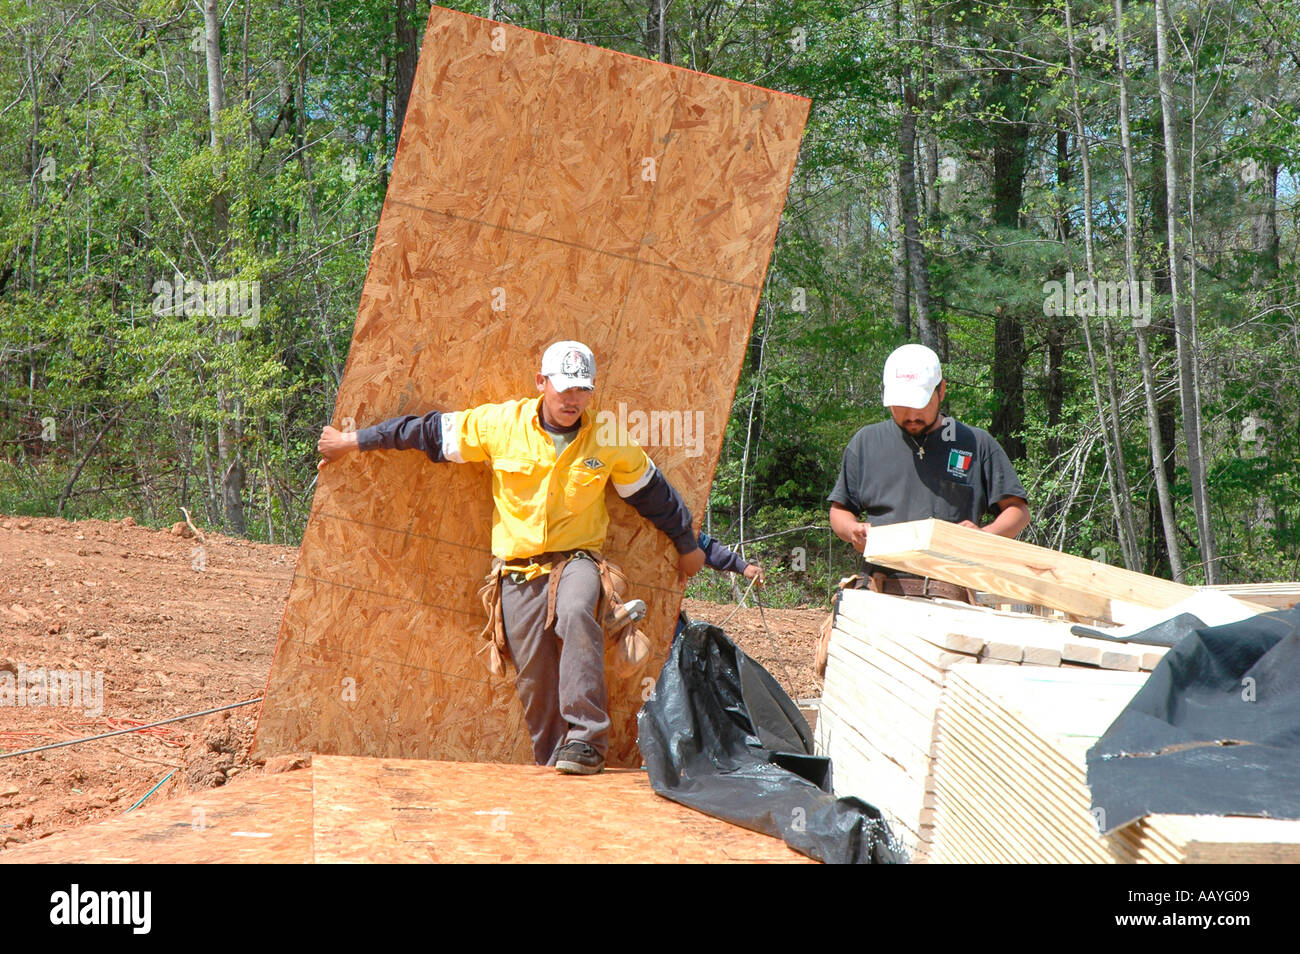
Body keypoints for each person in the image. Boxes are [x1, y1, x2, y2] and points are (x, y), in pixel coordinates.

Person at [316, 340, 707, 776]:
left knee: (577, 611)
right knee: (535, 680)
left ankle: (588, 738)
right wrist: (351, 441)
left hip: (577, 562)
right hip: (518, 574)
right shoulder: (501, 423)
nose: (573, 399)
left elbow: (653, 494)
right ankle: (555, 763)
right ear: (541, 382)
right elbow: (426, 432)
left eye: (582, 389)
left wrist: (687, 545)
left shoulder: (608, 436)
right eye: (563, 389)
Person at [827, 342, 1030, 599]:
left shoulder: (975, 443)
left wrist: (985, 535)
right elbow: (839, 510)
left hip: (951, 591)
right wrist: (852, 530)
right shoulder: (866, 442)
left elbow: (1018, 511)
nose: (911, 414)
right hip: (879, 590)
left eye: (919, 404)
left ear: (941, 390)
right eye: (901, 405)